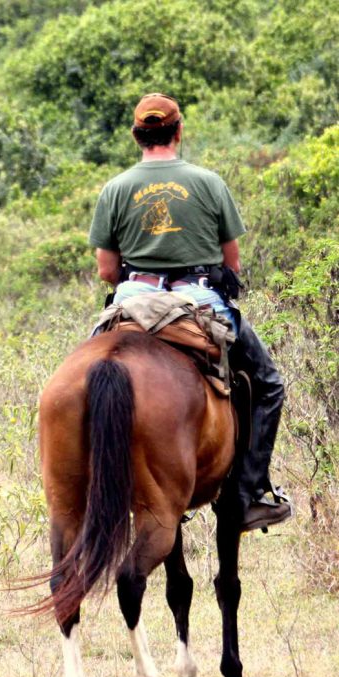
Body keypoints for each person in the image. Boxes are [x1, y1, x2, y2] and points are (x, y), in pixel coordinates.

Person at [88, 93, 291, 532]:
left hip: (133, 300)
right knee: (269, 384)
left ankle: (88, 489)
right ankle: (249, 495)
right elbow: (232, 263)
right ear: (178, 131)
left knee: (89, 378)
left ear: (136, 136)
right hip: (199, 299)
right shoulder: (209, 182)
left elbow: (106, 270)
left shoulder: (115, 188)